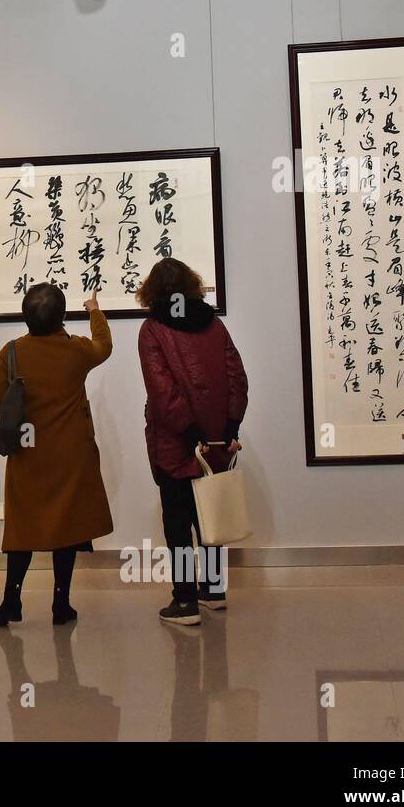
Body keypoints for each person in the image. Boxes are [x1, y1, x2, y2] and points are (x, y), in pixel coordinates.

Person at [0, 283, 114, 626]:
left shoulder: (11, 352)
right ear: (62, 317)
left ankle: (11, 600)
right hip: (72, 452)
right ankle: (61, 604)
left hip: (28, 453)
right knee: (66, 528)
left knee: (21, 526)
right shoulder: (76, 351)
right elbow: (104, 347)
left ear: (26, 317)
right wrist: (95, 311)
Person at [135, 258, 248, 626]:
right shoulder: (214, 325)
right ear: (192, 285)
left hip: (177, 443)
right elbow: (237, 378)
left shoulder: (152, 330)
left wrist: (190, 435)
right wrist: (229, 430)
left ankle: (184, 601)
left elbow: (162, 391)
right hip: (215, 441)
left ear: (152, 290)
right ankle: (213, 590)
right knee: (209, 512)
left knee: (179, 523)